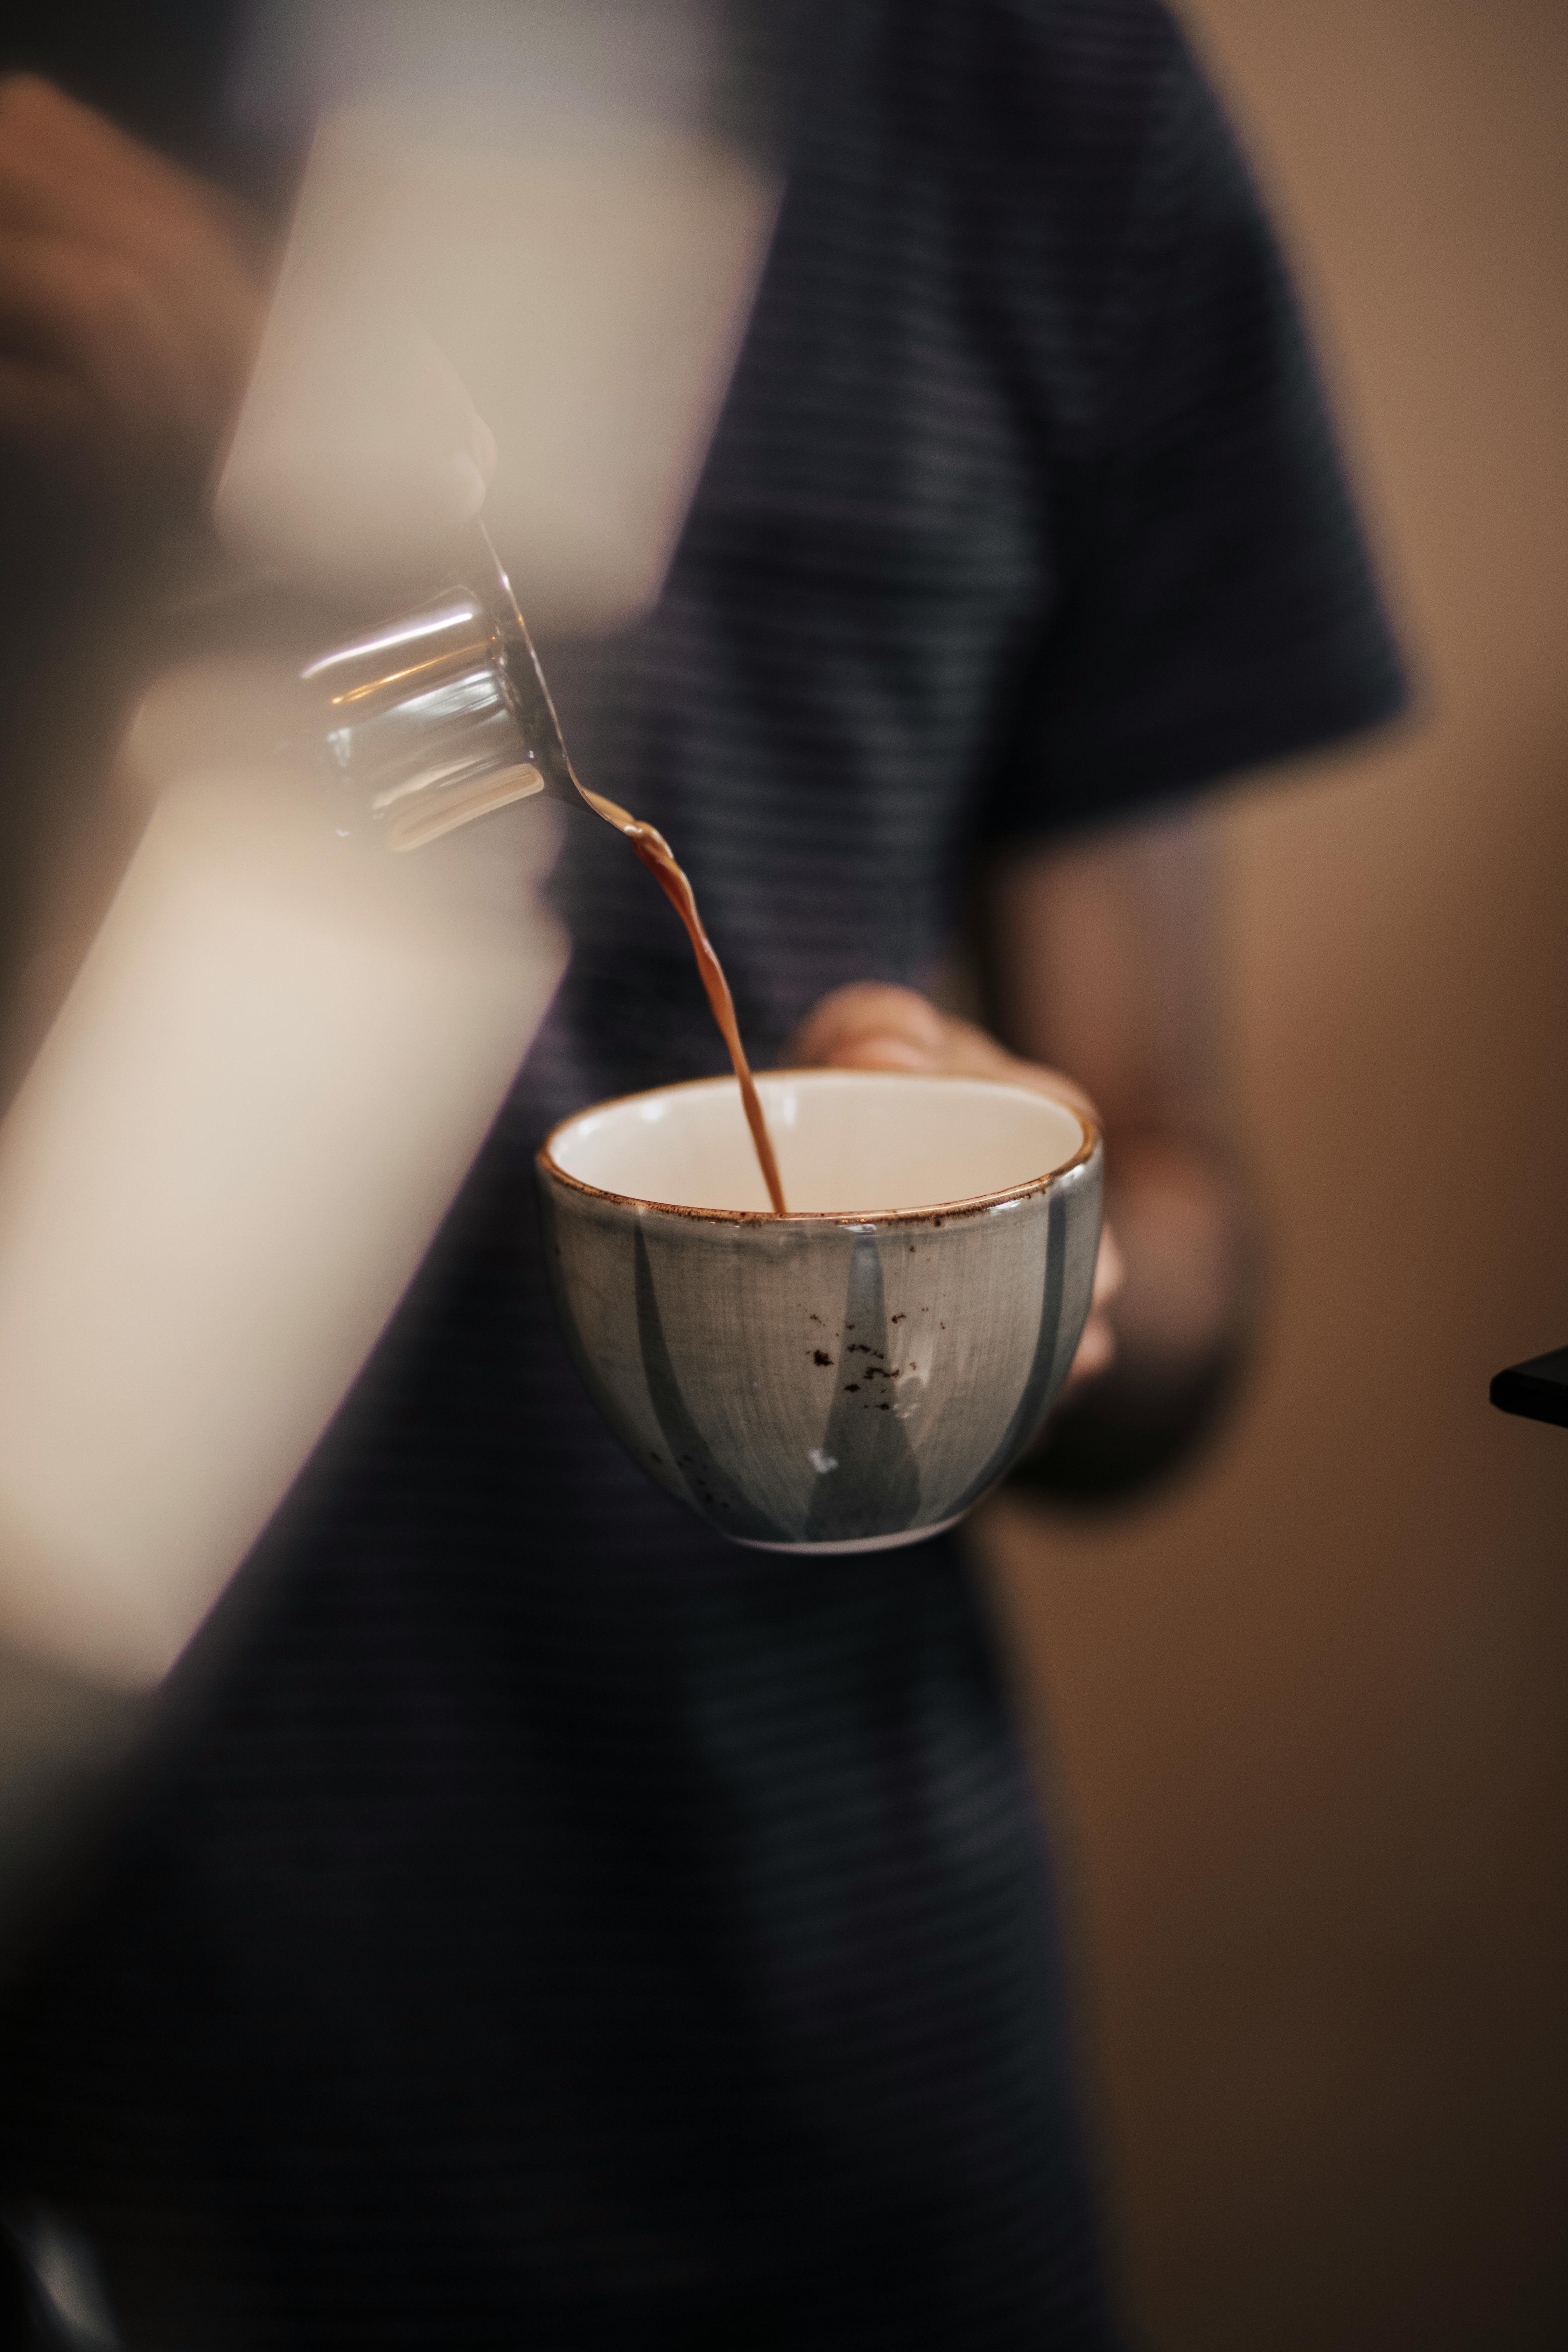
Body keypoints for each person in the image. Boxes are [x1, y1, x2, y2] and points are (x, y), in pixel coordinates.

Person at [0, 4, 1405, 2344]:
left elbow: (1181, 1202)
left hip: (809, 2065)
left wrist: (1058, 1280)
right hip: (94, 2060)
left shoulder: (1052, 106)